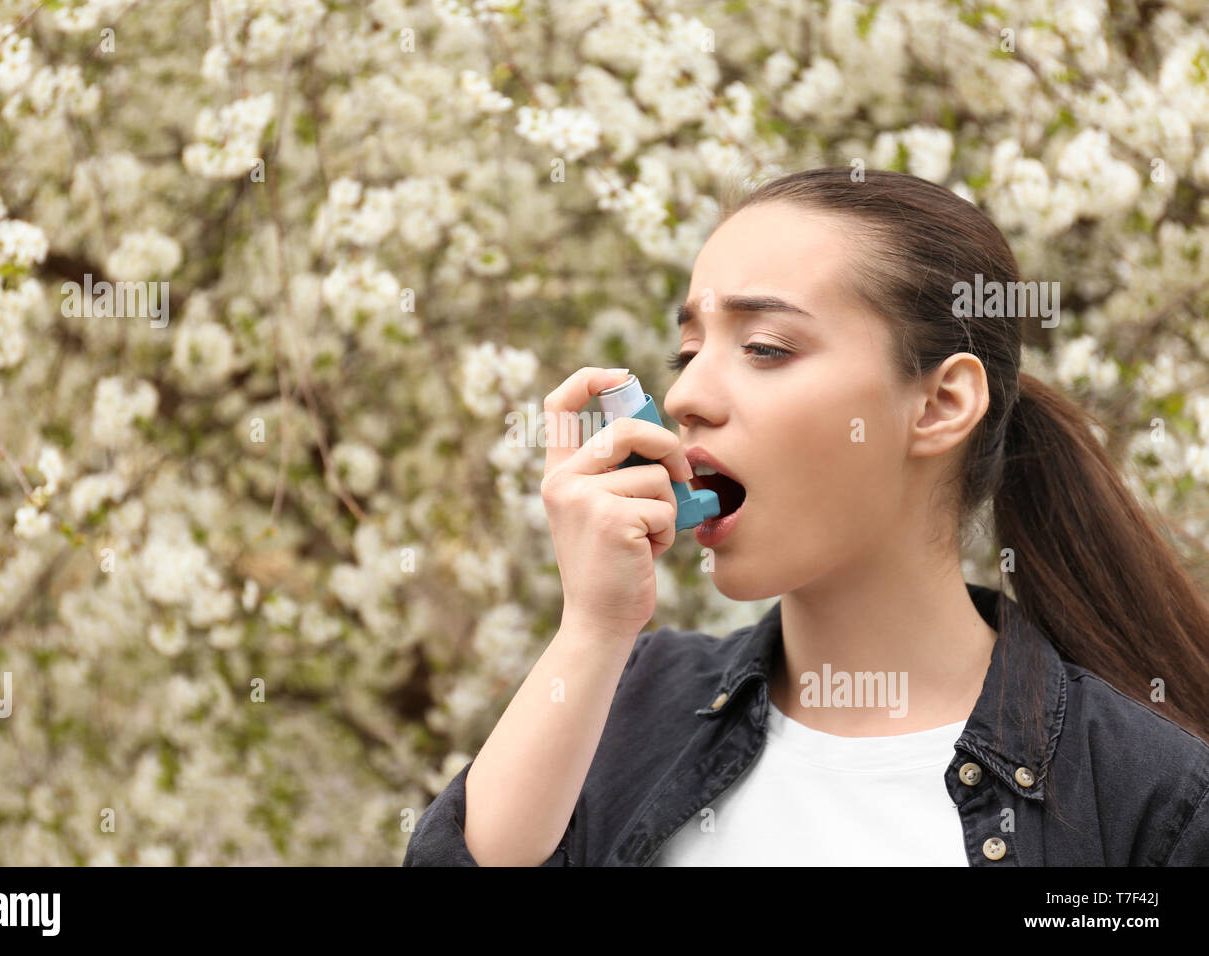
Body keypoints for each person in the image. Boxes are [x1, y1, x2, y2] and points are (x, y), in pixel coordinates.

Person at [403, 167, 1209, 866]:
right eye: (689, 352)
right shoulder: (627, 702)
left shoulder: (1143, 796)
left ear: (940, 403)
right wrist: (592, 628)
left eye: (765, 348)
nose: (684, 396)